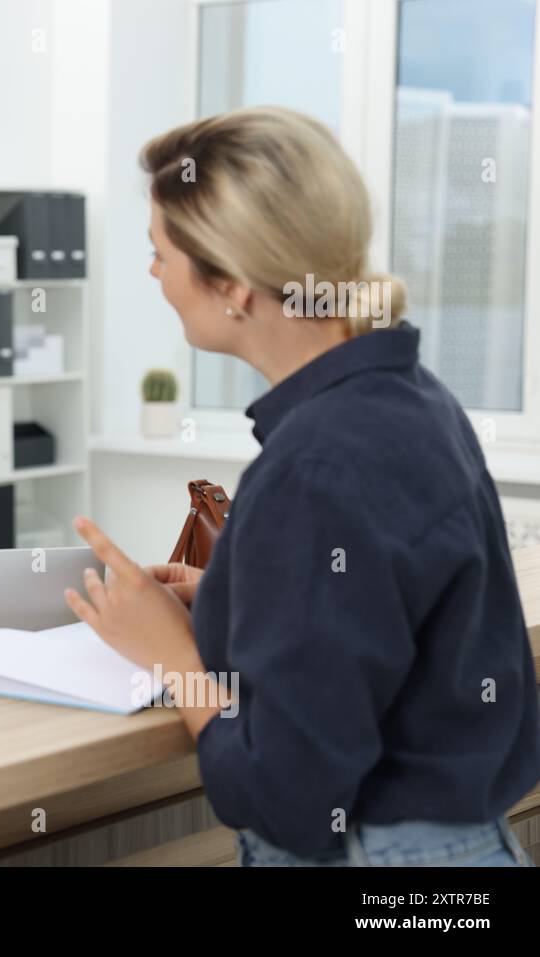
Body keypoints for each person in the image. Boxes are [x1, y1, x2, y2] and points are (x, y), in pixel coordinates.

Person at [64, 106, 539, 867]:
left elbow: (291, 798)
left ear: (233, 284)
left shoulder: (315, 466)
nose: (153, 275)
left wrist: (174, 658)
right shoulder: (413, 398)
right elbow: (378, 610)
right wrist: (238, 592)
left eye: (160, 254)